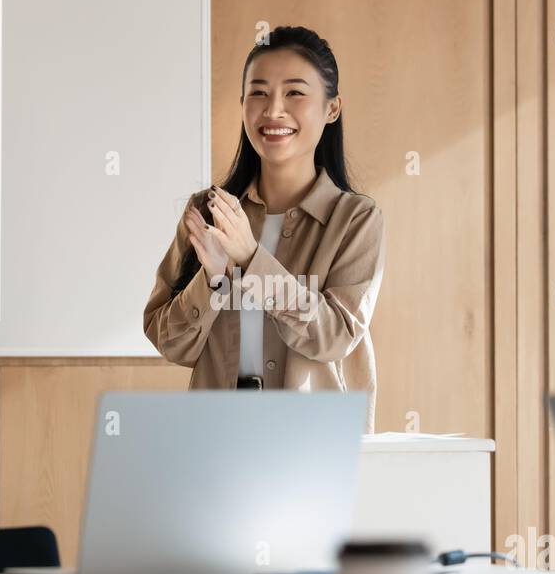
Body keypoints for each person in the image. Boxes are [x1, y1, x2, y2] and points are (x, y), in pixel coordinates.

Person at [143, 26, 386, 433]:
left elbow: (335, 336)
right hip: (215, 438)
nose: (273, 110)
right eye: (258, 92)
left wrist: (251, 260)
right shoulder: (209, 210)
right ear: (242, 105)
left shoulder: (356, 219)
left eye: (294, 93)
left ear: (331, 109)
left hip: (312, 444)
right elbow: (171, 342)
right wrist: (215, 280)